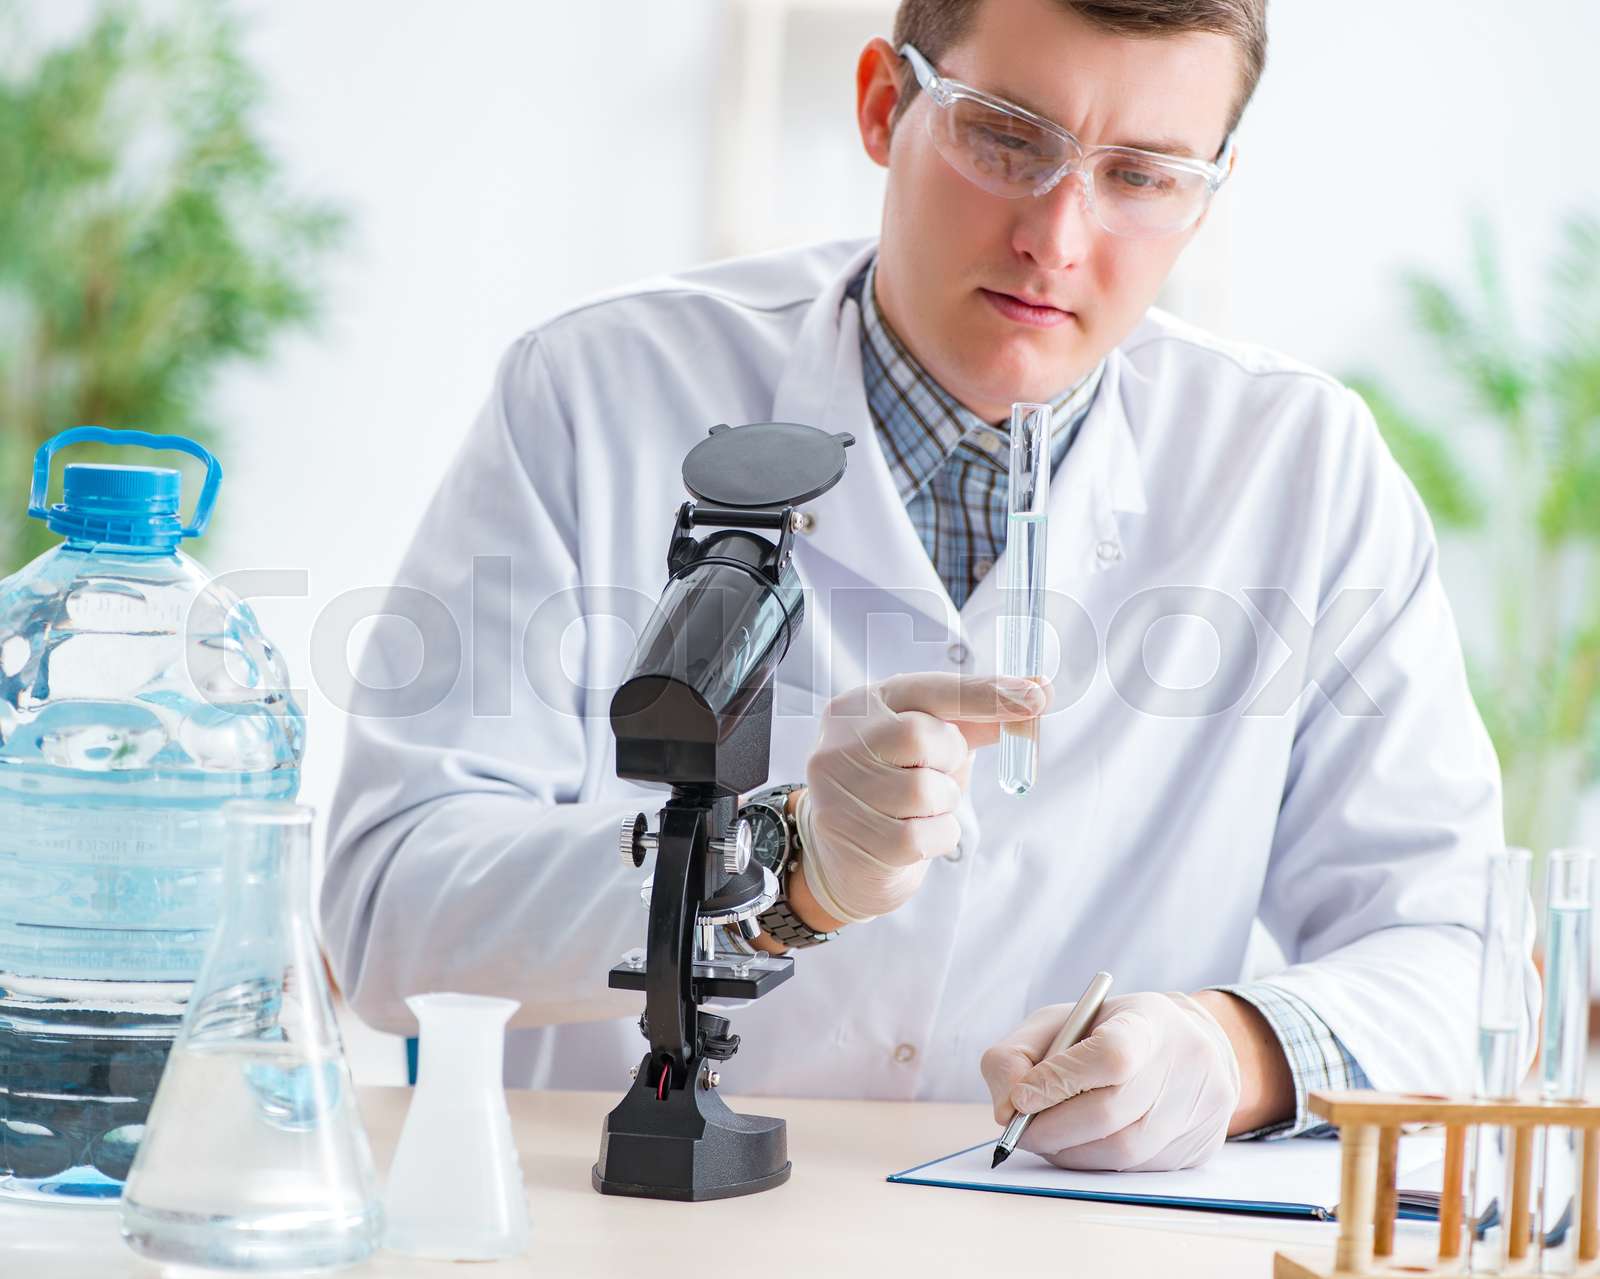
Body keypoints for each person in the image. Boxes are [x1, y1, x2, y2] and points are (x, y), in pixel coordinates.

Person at [322, 0, 1537, 1173]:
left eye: (1143, 175)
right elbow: (386, 916)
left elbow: (1457, 954)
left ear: (1208, 192)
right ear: (879, 104)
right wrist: (772, 869)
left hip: (1075, 1246)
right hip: (640, 1231)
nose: (1057, 239)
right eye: (1008, 138)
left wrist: (1230, 1049)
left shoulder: (1301, 469)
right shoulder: (595, 394)